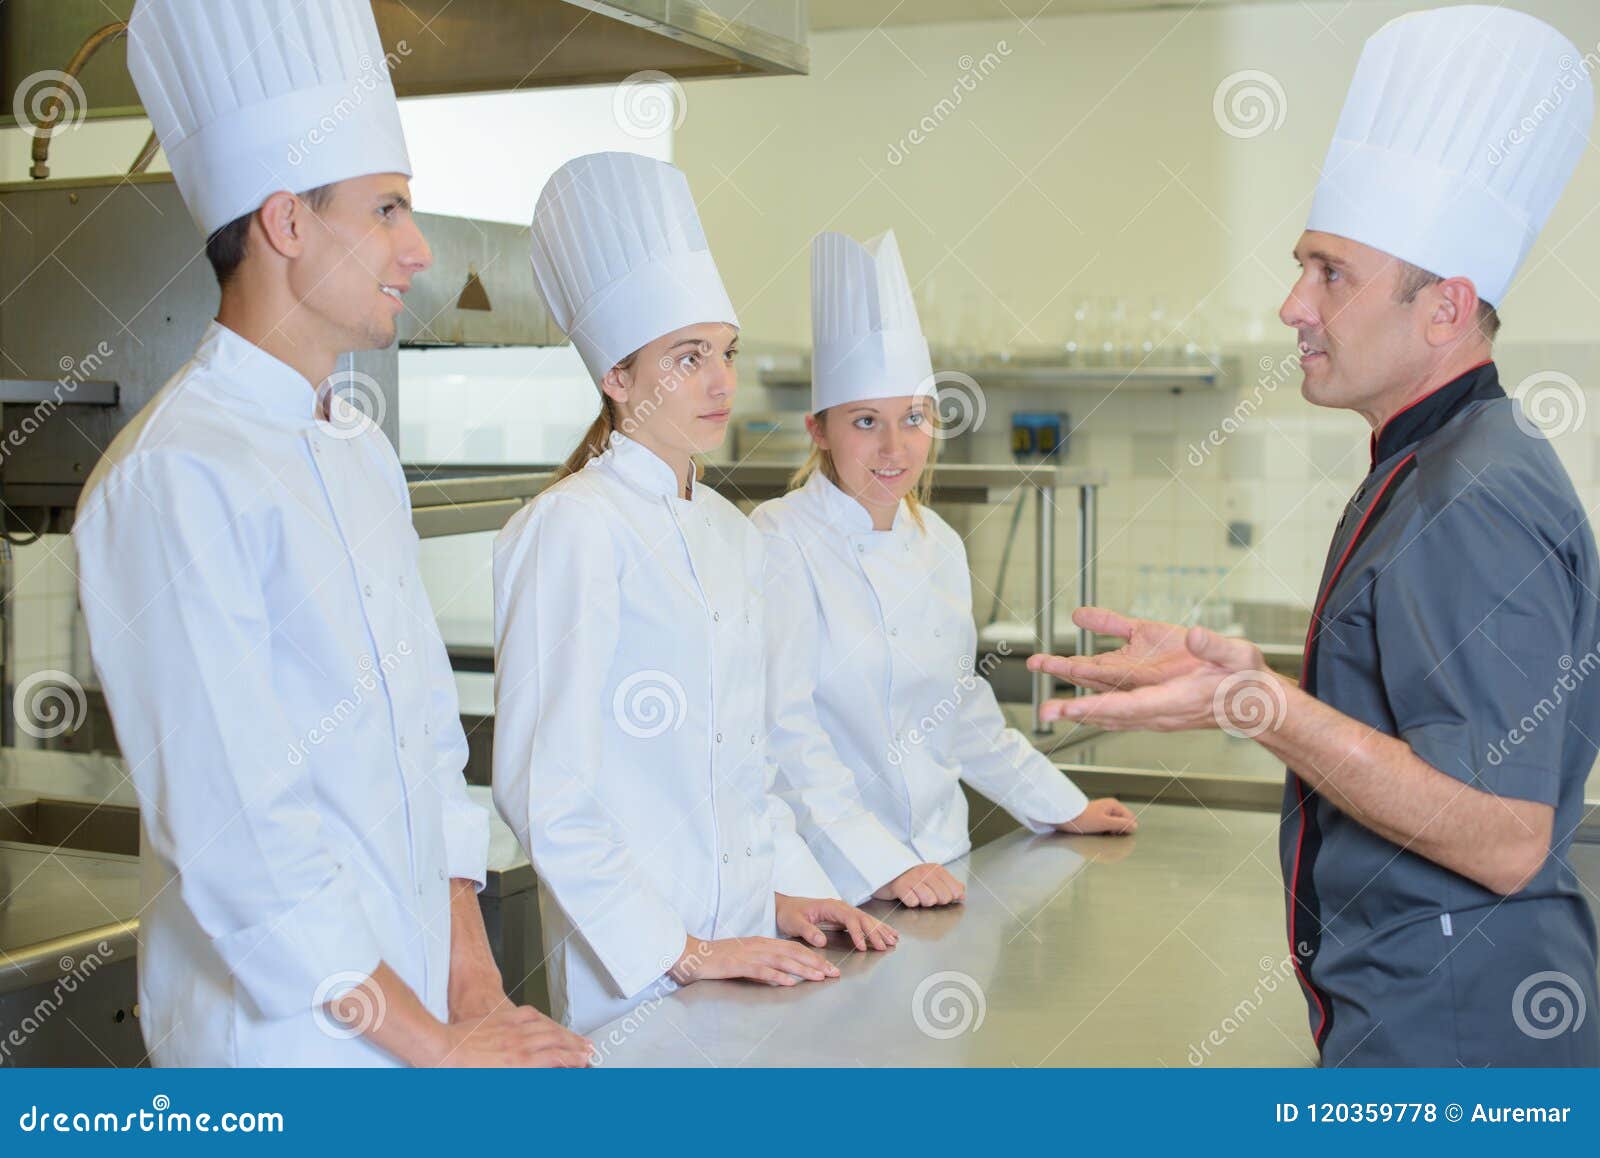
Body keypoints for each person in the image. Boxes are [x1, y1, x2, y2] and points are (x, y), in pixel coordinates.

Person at [1031, 5, 1599, 1066]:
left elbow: (1509, 836)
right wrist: (1252, 674)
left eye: (1330, 272)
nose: (1293, 304)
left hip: (1463, 1043)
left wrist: (1257, 706)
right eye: (1303, 265)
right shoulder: (1423, 464)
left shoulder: (1470, 495)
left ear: (1444, 308)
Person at [72, 0, 590, 1067]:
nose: (417, 248)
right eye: (389, 210)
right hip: (282, 1050)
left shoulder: (354, 447)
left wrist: (474, 991)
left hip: (412, 1028)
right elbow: (240, 838)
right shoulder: (176, 476)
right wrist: (438, 1048)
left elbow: (426, 751)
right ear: (286, 223)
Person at [492, 153, 896, 1035]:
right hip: (635, 975)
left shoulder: (726, 530)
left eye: (724, 352)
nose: (721, 381)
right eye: (686, 358)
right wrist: (685, 949)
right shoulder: (572, 528)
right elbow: (543, 790)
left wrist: (792, 894)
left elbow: (743, 767)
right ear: (616, 379)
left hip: (749, 954)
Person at [755, 229, 1135, 911]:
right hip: (836, 885)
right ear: (818, 429)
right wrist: (880, 866)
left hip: (944, 867)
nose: (895, 448)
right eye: (866, 421)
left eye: (915, 418)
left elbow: (960, 711)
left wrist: (1059, 805)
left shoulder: (938, 544)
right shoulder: (778, 540)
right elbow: (787, 739)